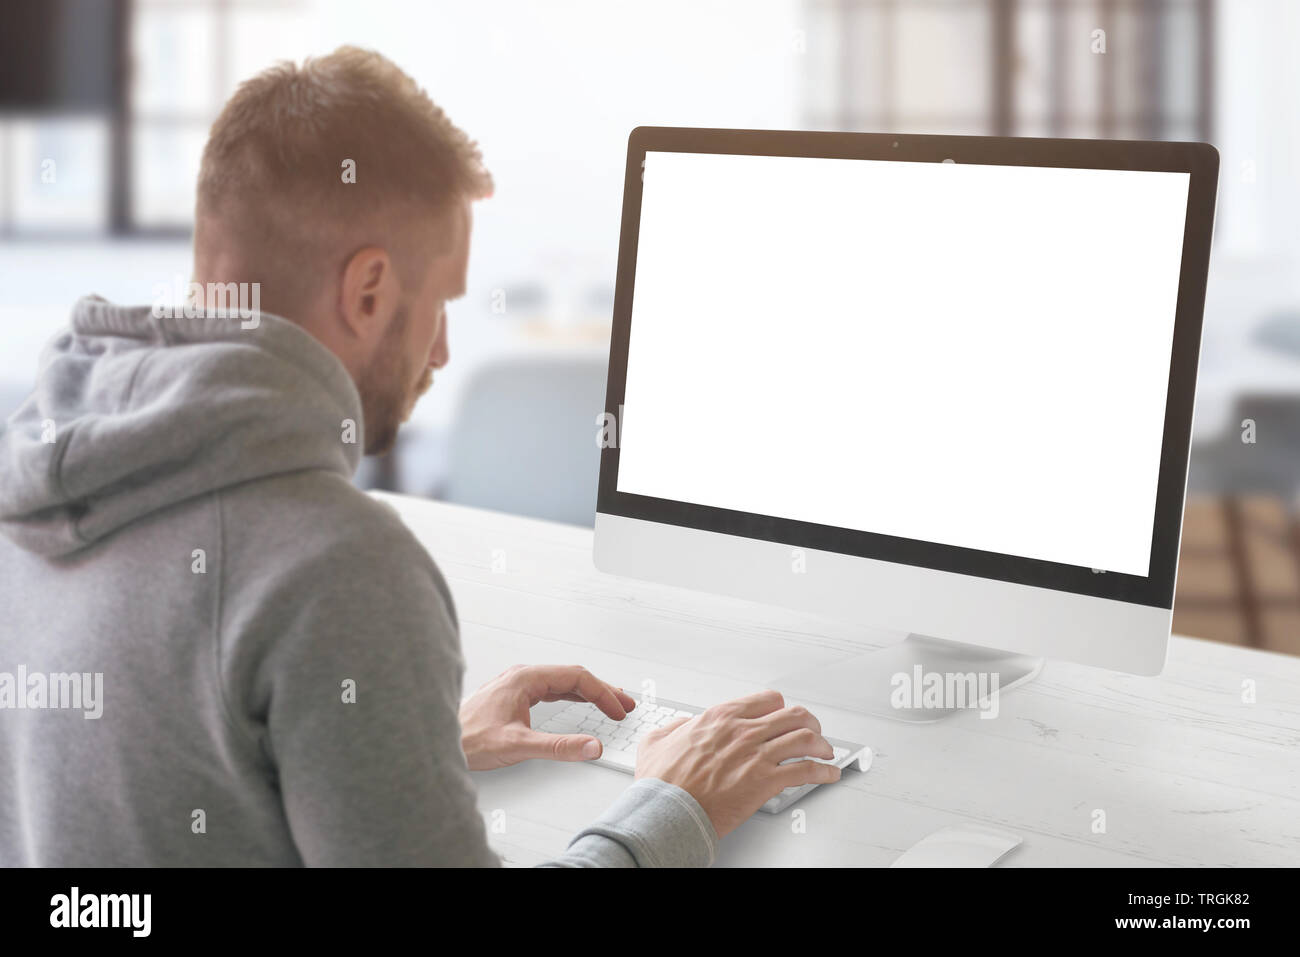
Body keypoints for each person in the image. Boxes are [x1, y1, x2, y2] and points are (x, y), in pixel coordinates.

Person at [0, 46, 839, 867]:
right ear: (368, 290)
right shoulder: (337, 567)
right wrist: (675, 806)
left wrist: (406, 747)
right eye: (439, 303)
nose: (440, 351)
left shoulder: (36, 489)